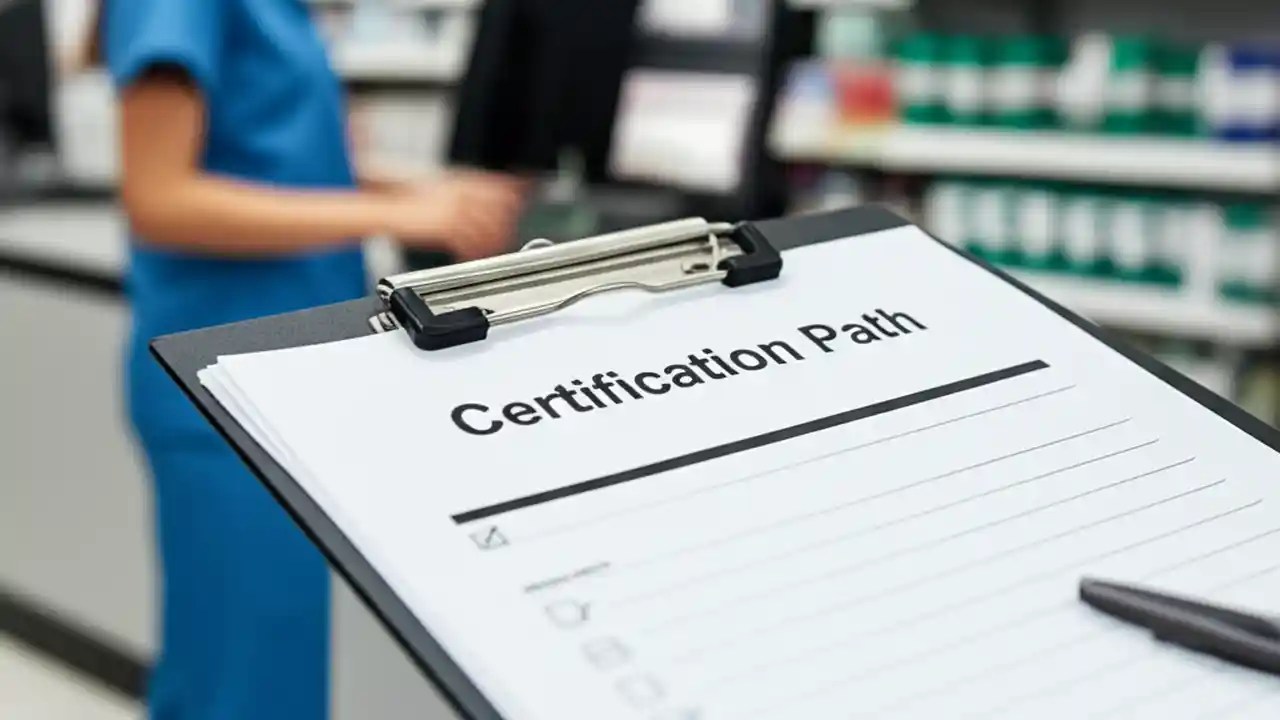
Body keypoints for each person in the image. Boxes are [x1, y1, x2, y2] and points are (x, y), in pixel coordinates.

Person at [93, 1, 525, 717]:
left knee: (267, 661)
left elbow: (281, 158)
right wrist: (397, 215)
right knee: (237, 678)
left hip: (281, 387)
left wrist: (415, 189)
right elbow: (159, 197)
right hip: (219, 389)